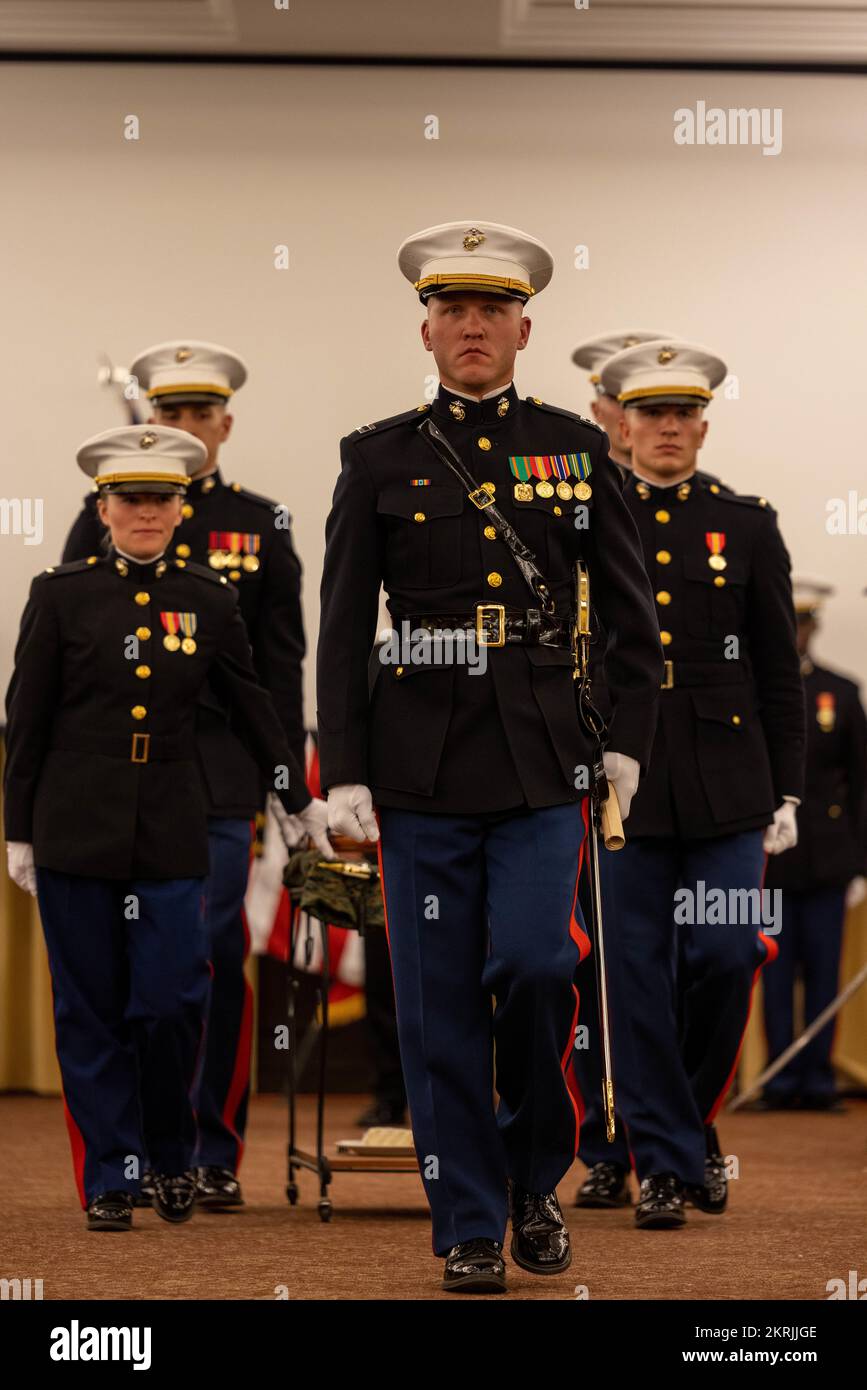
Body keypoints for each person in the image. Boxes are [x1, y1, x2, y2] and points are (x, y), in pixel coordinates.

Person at [316, 220, 663, 1292]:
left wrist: (624, 749)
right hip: (418, 767)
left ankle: (533, 1178)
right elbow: (338, 622)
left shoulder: (571, 448)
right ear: (426, 328)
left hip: (538, 760)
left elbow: (634, 619)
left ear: (524, 328)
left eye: (492, 311)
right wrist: (350, 768)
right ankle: (469, 1218)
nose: (472, 327)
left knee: (536, 964)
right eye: (453, 311)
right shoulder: (377, 456)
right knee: (437, 1006)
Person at [4, 425, 329, 1231]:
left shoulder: (210, 598)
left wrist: (294, 795)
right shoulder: (60, 593)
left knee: (174, 997)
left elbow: (254, 711)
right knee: (91, 1008)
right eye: (130, 499)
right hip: (75, 823)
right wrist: (18, 832)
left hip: (174, 823)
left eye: (160, 498)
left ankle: (173, 1152)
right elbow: (28, 721)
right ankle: (113, 1175)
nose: (145, 512)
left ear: (181, 508)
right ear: (103, 507)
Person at [62, 340, 307, 1210]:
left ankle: (209, 1146)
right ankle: (128, 1151)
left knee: (204, 951)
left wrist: (288, 786)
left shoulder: (263, 523)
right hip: (118, 782)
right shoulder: (117, 509)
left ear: (225, 424)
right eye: (171, 413)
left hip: (219, 771)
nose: (187, 427)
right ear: (153, 420)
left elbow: (279, 667)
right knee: (116, 969)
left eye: (202, 414)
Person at [572, 340, 805, 1228]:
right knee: (629, 973)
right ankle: (665, 1161)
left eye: (682, 414)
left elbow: (778, 670)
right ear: (620, 424)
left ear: (702, 424)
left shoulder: (746, 523)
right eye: (650, 414)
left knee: (725, 954)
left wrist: (785, 789)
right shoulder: (587, 518)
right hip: (621, 784)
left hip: (728, 782)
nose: (667, 428)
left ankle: (685, 1120)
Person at [761, 580, 867, 1110]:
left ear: (813, 628)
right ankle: (780, 1079)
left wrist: (861, 864)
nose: (797, 632)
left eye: (804, 623)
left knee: (823, 973)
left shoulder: (842, 691)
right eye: (790, 622)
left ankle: (818, 1080)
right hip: (773, 859)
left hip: (828, 860)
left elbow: (861, 782)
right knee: (775, 972)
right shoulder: (754, 688)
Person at [571, 329, 673, 474]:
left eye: (642, 401)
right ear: (596, 410)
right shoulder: (576, 487)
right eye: (619, 400)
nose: (631, 413)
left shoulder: (698, 492)